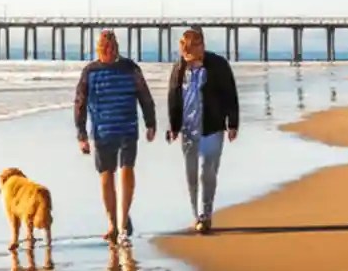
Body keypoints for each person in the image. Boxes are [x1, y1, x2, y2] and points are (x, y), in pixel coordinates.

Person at [74, 29, 157, 245]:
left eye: (112, 48)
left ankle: (121, 226)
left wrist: (151, 123)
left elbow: (144, 96)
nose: (109, 51)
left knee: (127, 171)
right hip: (102, 132)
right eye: (105, 48)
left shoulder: (130, 68)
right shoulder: (90, 72)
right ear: (99, 49)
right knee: (106, 176)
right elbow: (80, 104)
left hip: (127, 129)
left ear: (117, 48)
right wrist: (81, 135)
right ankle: (113, 221)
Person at [166, 27, 239, 233]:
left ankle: (205, 215)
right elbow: (173, 96)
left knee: (206, 171)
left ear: (202, 47)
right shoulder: (179, 68)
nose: (189, 58)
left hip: (212, 126)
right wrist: (173, 126)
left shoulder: (218, 65)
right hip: (188, 129)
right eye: (185, 53)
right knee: (191, 175)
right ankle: (196, 213)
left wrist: (232, 123)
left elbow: (230, 94)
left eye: (193, 51)